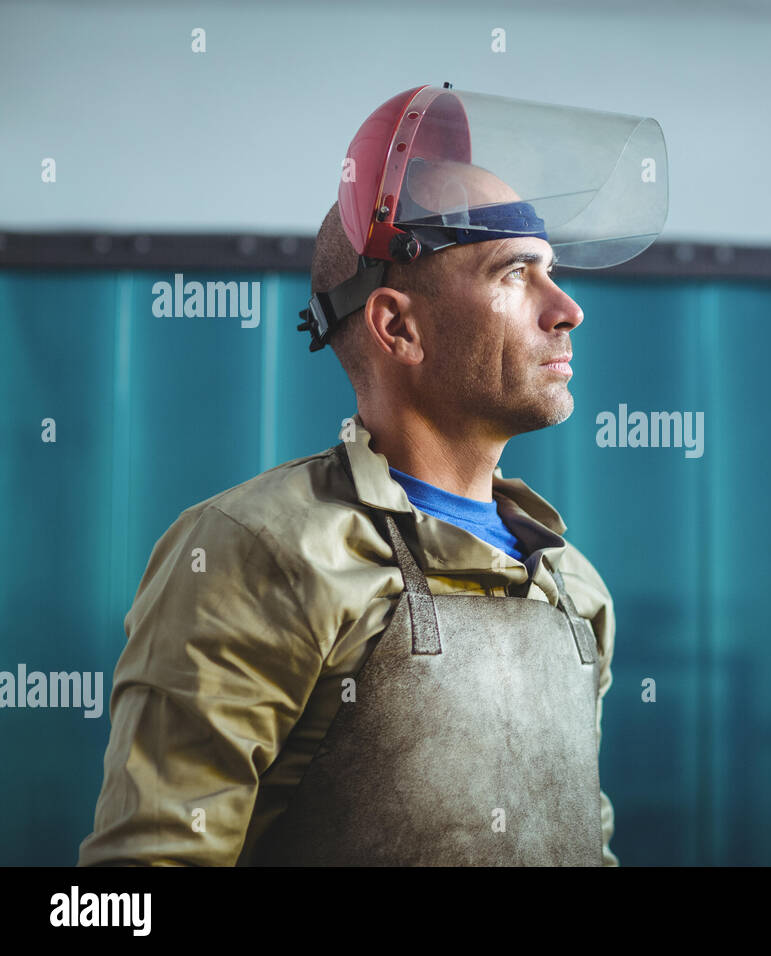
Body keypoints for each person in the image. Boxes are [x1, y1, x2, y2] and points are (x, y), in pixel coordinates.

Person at [77, 83, 668, 866]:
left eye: (554, 270)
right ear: (397, 326)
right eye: (513, 273)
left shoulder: (569, 588)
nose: (566, 309)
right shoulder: (260, 553)